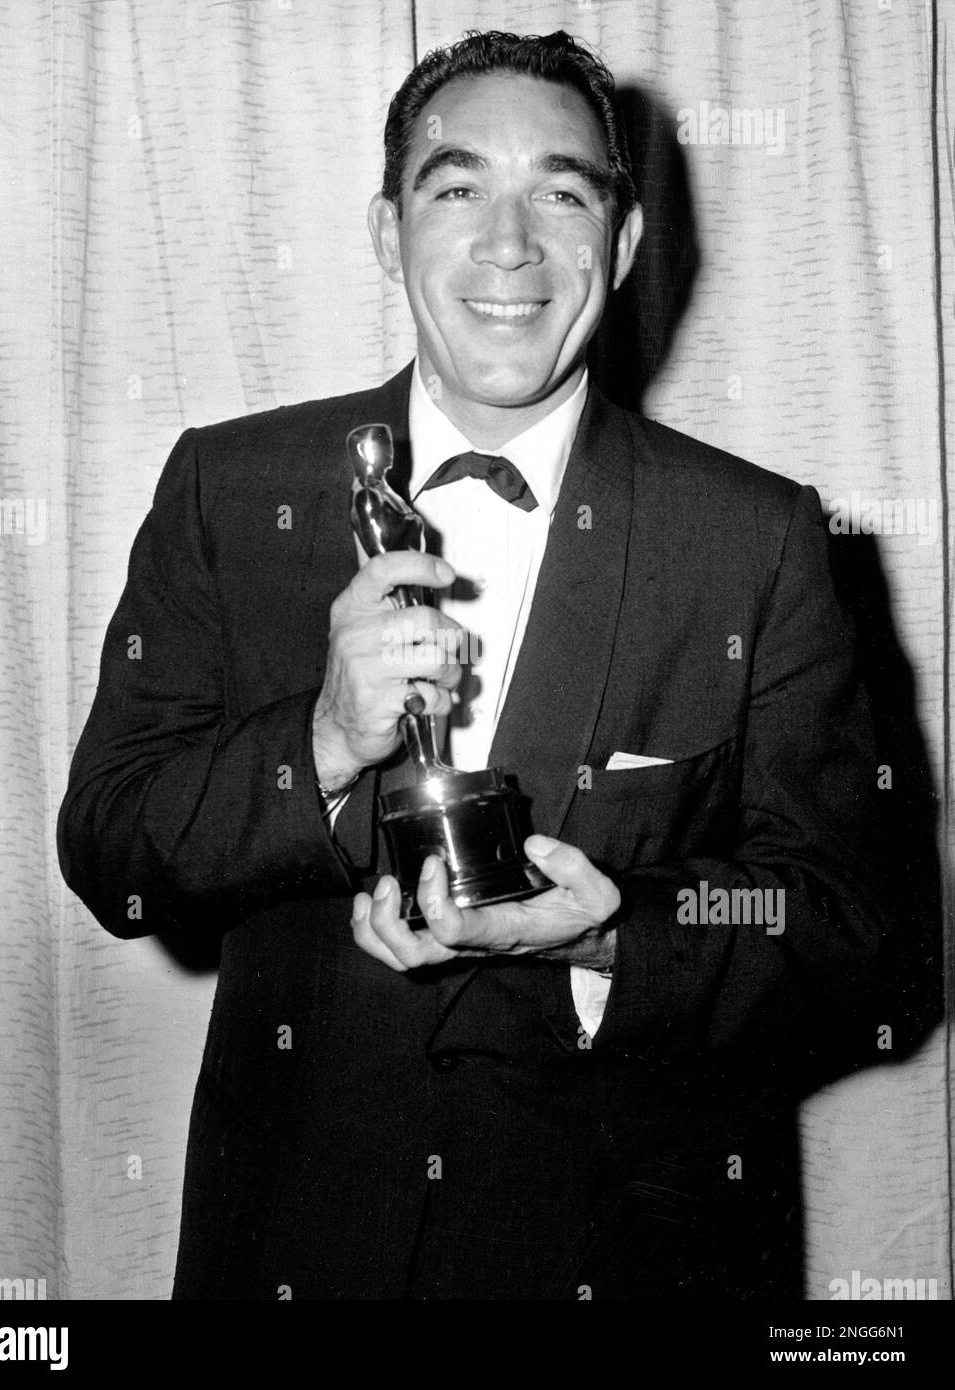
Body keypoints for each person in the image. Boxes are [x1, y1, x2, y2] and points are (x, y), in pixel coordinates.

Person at [58, 29, 890, 1300]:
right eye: (457, 190)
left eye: (563, 194)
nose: (511, 245)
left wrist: (620, 933)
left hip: (629, 1263)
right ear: (389, 233)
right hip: (292, 1250)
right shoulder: (230, 490)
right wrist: (322, 742)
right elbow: (110, 849)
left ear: (619, 246)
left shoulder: (758, 539)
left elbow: (842, 931)